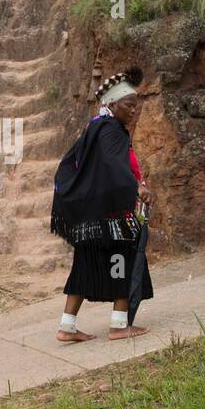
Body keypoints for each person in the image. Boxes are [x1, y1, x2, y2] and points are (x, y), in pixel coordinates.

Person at [51, 69, 153, 342]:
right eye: (128, 106)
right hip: (112, 216)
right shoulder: (111, 131)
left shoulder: (95, 127)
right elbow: (111, 163)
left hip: (92, 215)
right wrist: (137, 187)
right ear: (112, 105)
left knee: (85, 265)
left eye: (136, 105)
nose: (134, 111)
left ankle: (67, 327)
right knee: (124, 260)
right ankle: (119, 325)